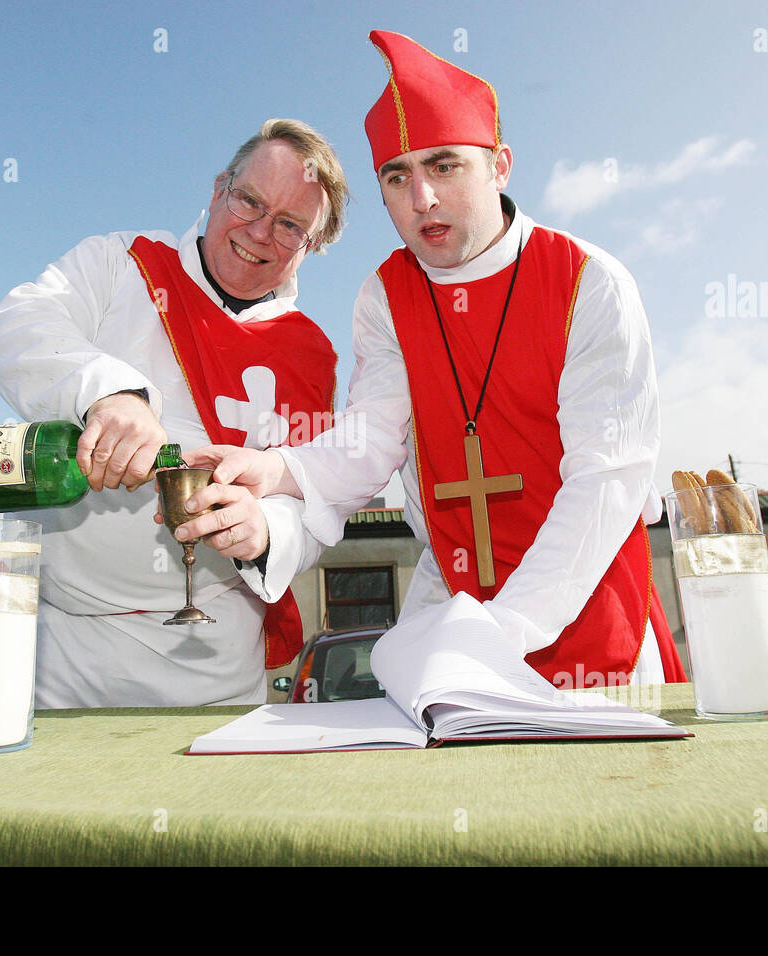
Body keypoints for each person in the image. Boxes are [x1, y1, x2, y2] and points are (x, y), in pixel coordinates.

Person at [180, 33, 686, 688]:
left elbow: (605, 481)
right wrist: (276, 467)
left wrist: (504, 631)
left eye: (444, 167)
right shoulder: (385, 295)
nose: (421, 200)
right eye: (398, 177)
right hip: (455, 598)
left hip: (585, 604)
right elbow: (372, 440)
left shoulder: (589, 282)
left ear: (500, 165)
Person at [0, 118, 347, 707]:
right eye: (249, 199)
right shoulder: (120, 262)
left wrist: (268, 529)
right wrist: (111, 394)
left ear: (313, 247)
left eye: (289, 226)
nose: (257, 230)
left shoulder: (313, 357)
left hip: (212, 662)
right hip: (61, 649)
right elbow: (17, 326)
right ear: (218, 188)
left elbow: (319, 501)